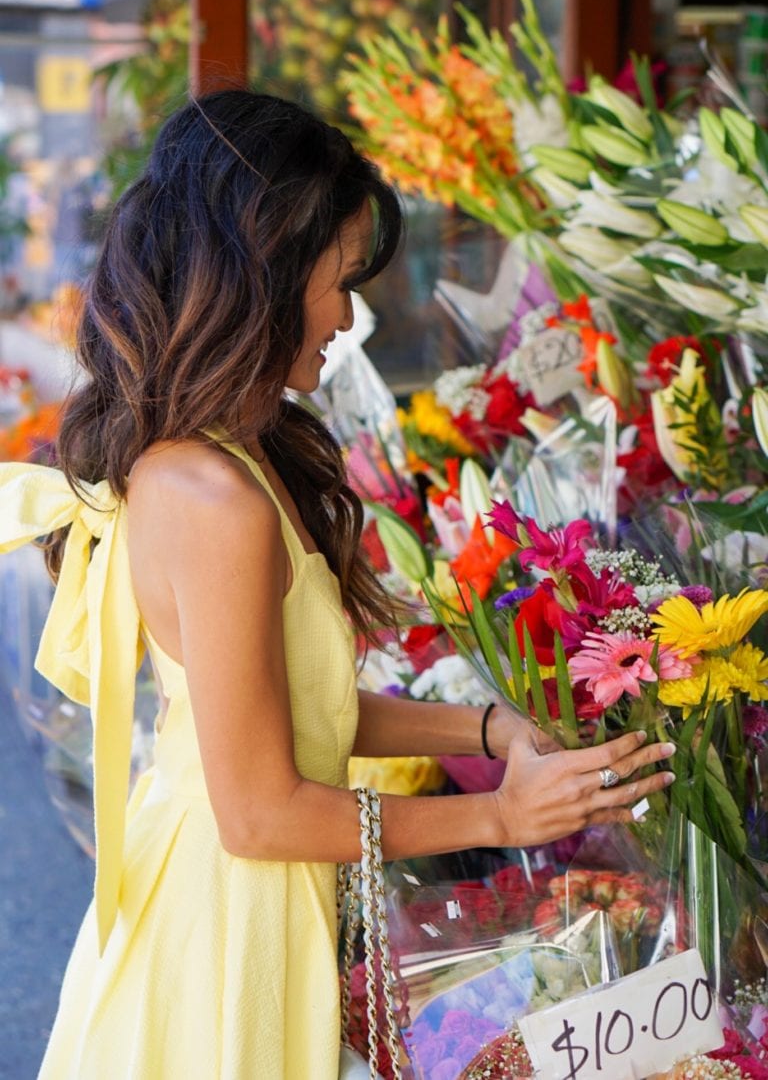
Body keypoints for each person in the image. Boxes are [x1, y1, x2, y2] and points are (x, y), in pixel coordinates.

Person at [0, 90, 675, 1080]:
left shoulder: (235, 455)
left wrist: (492, 730)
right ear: (264, 271)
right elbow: (261, 812)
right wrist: (499, 817)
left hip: (247, 894)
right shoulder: (212, 492)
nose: (352, 317)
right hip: (224, 918)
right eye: (341, 281)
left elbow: (301, 709)